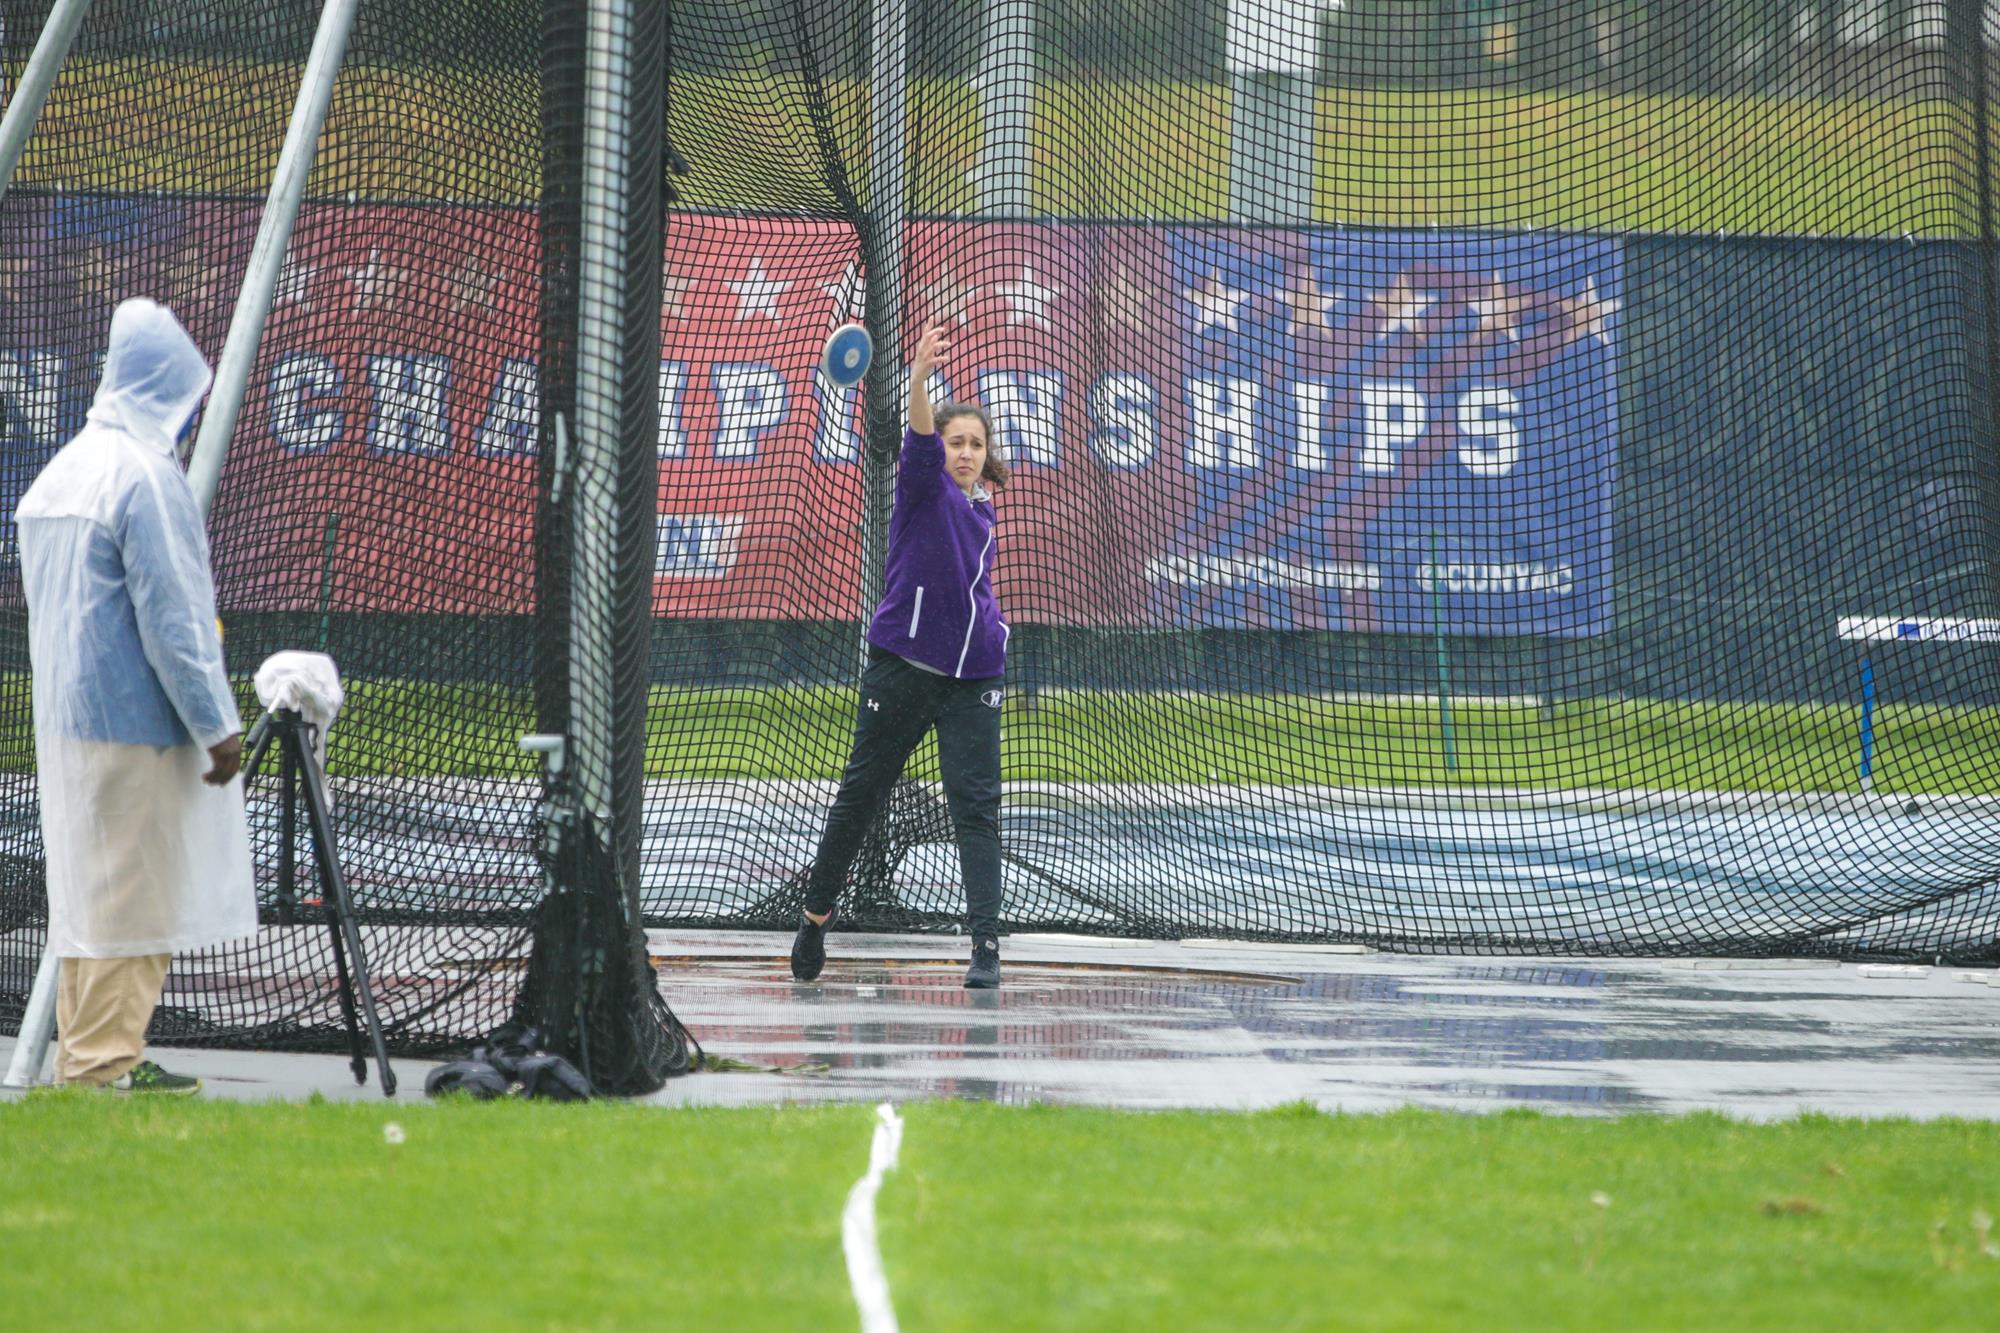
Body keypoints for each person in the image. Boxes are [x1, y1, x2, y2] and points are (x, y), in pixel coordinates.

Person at [13, 297, 255, 1093]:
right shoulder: (145, 478)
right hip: (136, 724)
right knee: (133, 899)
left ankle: (86, 1055)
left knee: (89, 896)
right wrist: (217, 722)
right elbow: (175, 618)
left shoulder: (64, 470)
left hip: (69, 724)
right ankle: (103, 1064)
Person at [792, 323, 1011, 989]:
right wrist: (918, 378)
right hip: (903, 669)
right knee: (861, 795)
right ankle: (815, 917)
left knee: (976, 808)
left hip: (973, 678)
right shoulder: (923, 485)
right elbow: (917, 435)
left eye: (975, 444)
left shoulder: (983, 510)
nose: (965, 452)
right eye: (956, 441)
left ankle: (985, 946)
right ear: (939, 447)